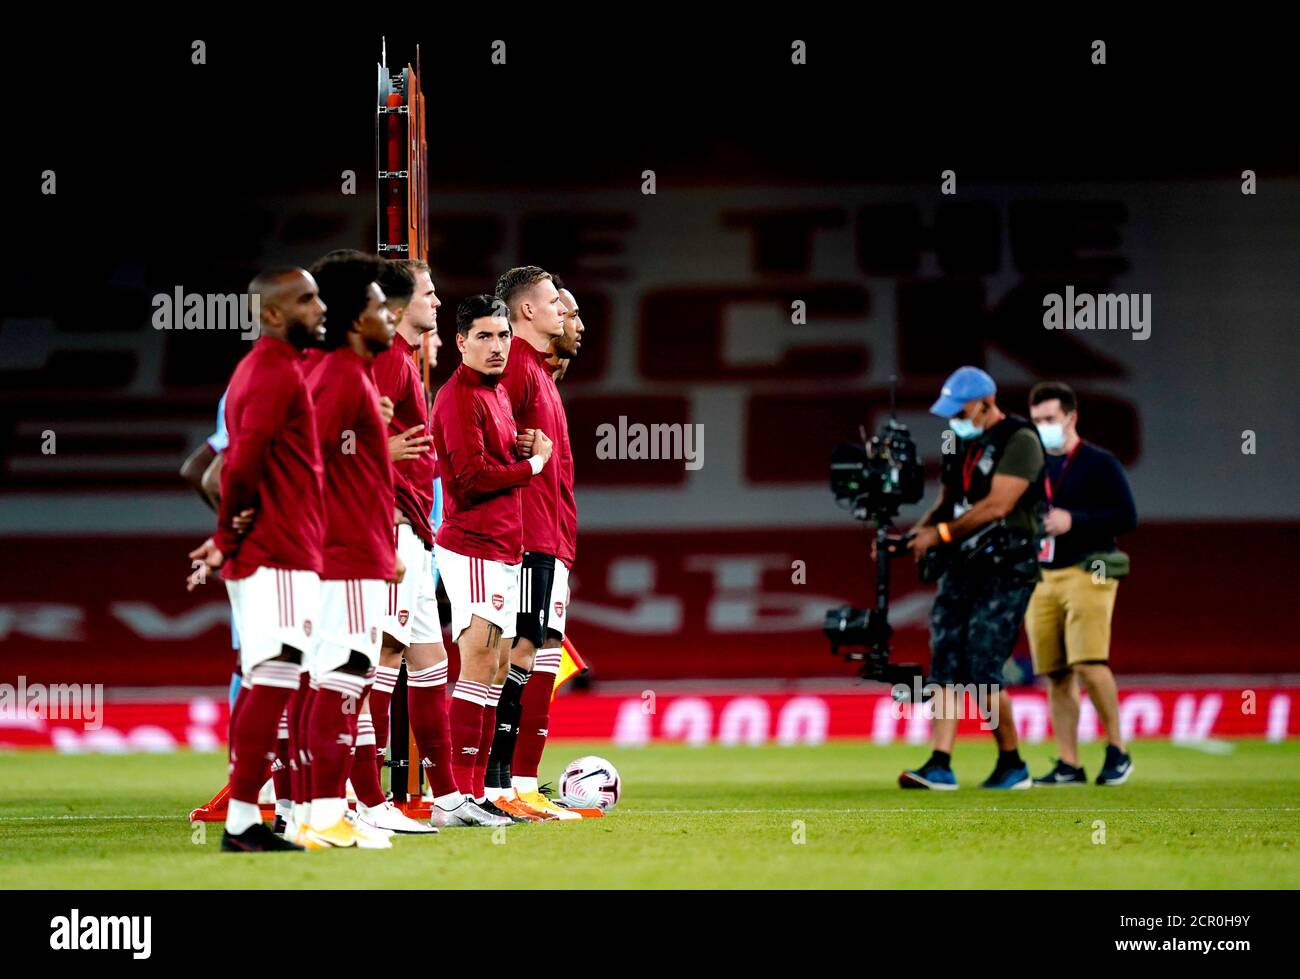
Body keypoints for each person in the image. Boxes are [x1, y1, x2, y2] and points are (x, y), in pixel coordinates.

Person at [186, 267, 326, 851]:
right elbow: (234, 467)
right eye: (306, 299)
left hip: (274, 547)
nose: (319, 308)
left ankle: (250, 817)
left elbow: (224, 467)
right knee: (276, 679)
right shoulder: (273, 371)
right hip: (279, 550)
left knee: (270, 676)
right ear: (272, 314)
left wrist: (226, 535)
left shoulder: (261, 370)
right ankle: (247, 817)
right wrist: (227, 534)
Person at [430, 295, 553, 827]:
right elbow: (470, 479)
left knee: (498, 667)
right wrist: (533, 464)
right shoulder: (458, 397)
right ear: (460, 342)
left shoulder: (498, 394)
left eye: (503, 336)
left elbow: (493, 462)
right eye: (484, 336)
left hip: (502, 546)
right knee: (479, 661)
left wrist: (523, 448)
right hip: (472, 544)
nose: (498, 346)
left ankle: (476, 791)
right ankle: (454, 794)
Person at [298, 253, 404, 848]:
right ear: (350, 316)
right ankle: (321, 815)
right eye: (374, 305)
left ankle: (314, 812)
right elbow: (301, 459)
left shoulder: (350, 375)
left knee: (336, 679)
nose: (387, 314)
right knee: (340, 678)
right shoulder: (339, 375)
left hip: (354, 550)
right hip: (341, 557)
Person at [900, 366, 1045, 790]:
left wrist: (938, 534)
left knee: (983, 666)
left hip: (1006, 568)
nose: (955, 421)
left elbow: (997, 506)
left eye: (960, 411)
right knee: (945, 663)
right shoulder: (957, 444)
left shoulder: (1021, 441)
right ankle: (940, 763)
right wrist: (913, 536)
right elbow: (948, 501)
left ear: (987, 402)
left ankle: (1012, 763)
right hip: (962, 565)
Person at [486, 268, 582, 819]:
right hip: (527, 534)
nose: (565, 314)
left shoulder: (538, 371)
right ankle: (499, 783)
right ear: (527, 311)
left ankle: (517, 782)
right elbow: (481, 430)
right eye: (555, 303)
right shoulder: (517, 367)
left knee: (540, 651)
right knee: (517, 651)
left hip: (552, 533)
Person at [1026, 382, 1137, 786]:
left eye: (1050, 419)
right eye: (1037, 421)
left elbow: (1127, 516)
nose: (1043, 427)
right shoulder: (1034, 465)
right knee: (1055, 673)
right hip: (1042, 576)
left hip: (1090, 569)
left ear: (1071, 417)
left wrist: (1076, 520)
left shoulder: (1099, 463)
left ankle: (1118, 750)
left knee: (1089, 663)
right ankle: (1069, 763)